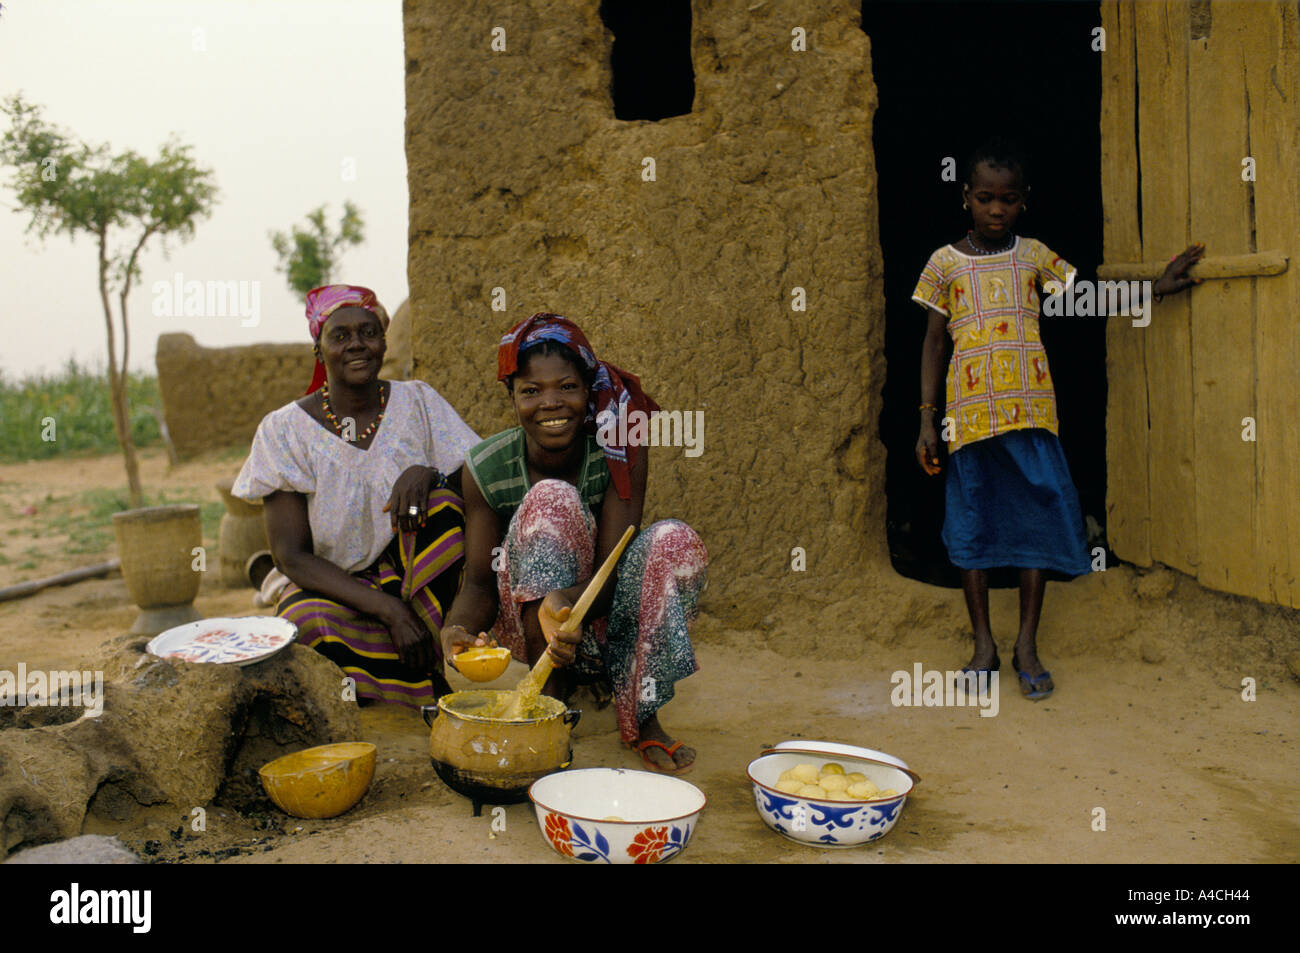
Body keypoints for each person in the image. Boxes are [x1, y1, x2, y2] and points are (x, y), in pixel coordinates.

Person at [912, 140, 1203, 700]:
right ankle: (982, 644)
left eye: (1009, 200)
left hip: (1030, 414)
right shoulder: (943, 263)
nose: (997, 210)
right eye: (985, 198)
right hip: (969, 423)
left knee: (1035, 522)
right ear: (965, 198)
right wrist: (927, 421)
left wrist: (1153, 290)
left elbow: (1086, 299)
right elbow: (931, 344)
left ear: (1024, 202)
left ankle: (1025, 644)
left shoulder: (1034, 255)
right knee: (972, 526)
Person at [439, 313, 707, 773]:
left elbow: (615, 562)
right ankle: (551, 696)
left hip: (603, 616)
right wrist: (453, 630)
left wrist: (563, 601)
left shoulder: (618, 450)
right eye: (531, 391)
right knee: (550, 500)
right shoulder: (484, 468)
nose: (551, 403)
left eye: (567, 387)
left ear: (589, 391)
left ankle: (642, 712)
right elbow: (480, 585)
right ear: (512, 397)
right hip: (525, 623)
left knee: (673, 542)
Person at [232, 284, 480, 707]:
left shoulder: (419, 402)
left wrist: (428, 473)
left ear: (384, 341)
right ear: (319, 349)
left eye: (368, 332)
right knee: (302, 623)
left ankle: (430, 656)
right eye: (340, 336)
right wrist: (389, 611)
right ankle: (397, 675)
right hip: (333, 586)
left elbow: (478, 480)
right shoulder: (284, 431)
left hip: (412, 581)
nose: (356, 345)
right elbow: (291, 555)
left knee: (444, 505)